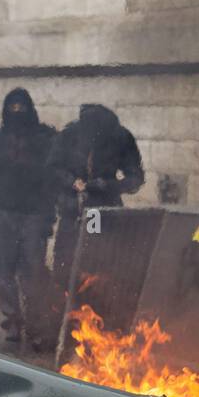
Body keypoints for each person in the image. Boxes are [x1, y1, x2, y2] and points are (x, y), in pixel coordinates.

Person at [45, 103, 145, 333]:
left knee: (99, 267)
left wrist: (109, 186)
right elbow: (51, 169)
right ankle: (66, 322)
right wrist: (72, 181)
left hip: (103, 213)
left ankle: (99, 324)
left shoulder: (120, 137)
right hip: (73, 210)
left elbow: (135, 177)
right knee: (64, 267)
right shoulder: (70, 135)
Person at [0, 87, 56, 349]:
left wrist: (47, 216)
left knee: (33, 268)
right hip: (1, 212)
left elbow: (50, 180)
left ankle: (35, 322)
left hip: (33, 212)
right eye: (13, 108)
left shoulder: (44, 140)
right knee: (3, 269)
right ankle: (12, 320)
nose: (18, 112)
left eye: (22, 107)